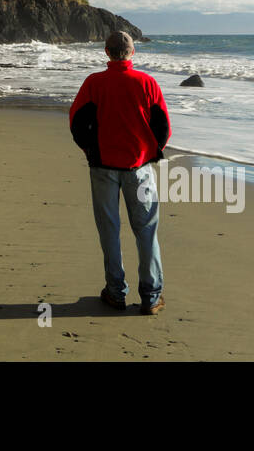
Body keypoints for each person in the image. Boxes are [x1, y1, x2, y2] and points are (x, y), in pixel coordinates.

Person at [69, 30, 171, 315]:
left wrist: (90, 150)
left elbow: (77, 122)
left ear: (106, 52)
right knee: (146, 231)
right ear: (132, 52)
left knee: (109, 230)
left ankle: (115, 292)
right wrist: (151, 152)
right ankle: (151, 297)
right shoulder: (147, 82)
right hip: (138, 167)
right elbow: (162, 126)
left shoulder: (94, 82)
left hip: (102, 166)